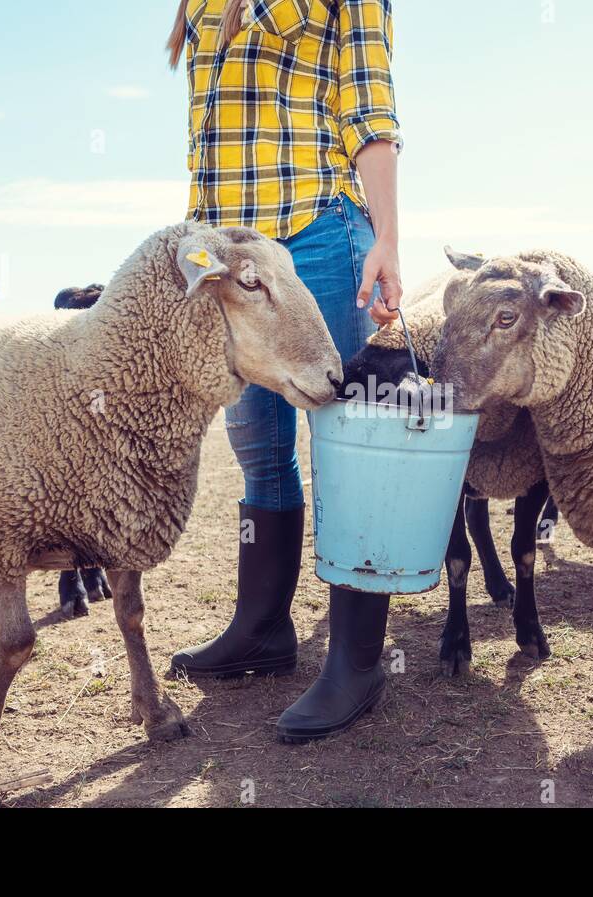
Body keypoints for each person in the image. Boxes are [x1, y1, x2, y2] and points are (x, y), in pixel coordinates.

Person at [165, 0, 404, 741]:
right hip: (233, 255)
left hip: (317, 232)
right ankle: (262, 629)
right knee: (258, 448)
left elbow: (369, 110)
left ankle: (356, 661)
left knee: (347, 449)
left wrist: (389, 234)